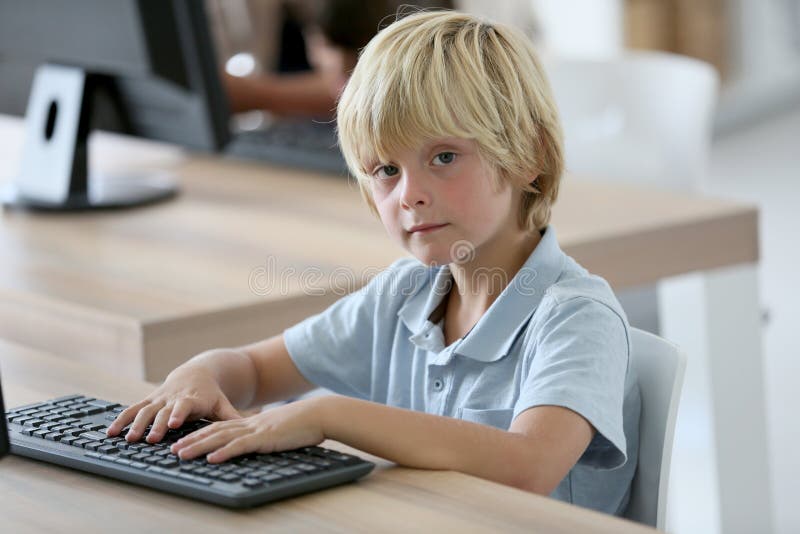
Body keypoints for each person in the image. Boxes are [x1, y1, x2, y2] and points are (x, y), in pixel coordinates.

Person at [107, 10, 640, 516]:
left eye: (444, 158)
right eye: (386, 168)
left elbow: (529, 464)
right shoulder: (404, 295)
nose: (409, 195)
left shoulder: (575, 316)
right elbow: (252, 371)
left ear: (529, 156)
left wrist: (327, 414)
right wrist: (196, 373)